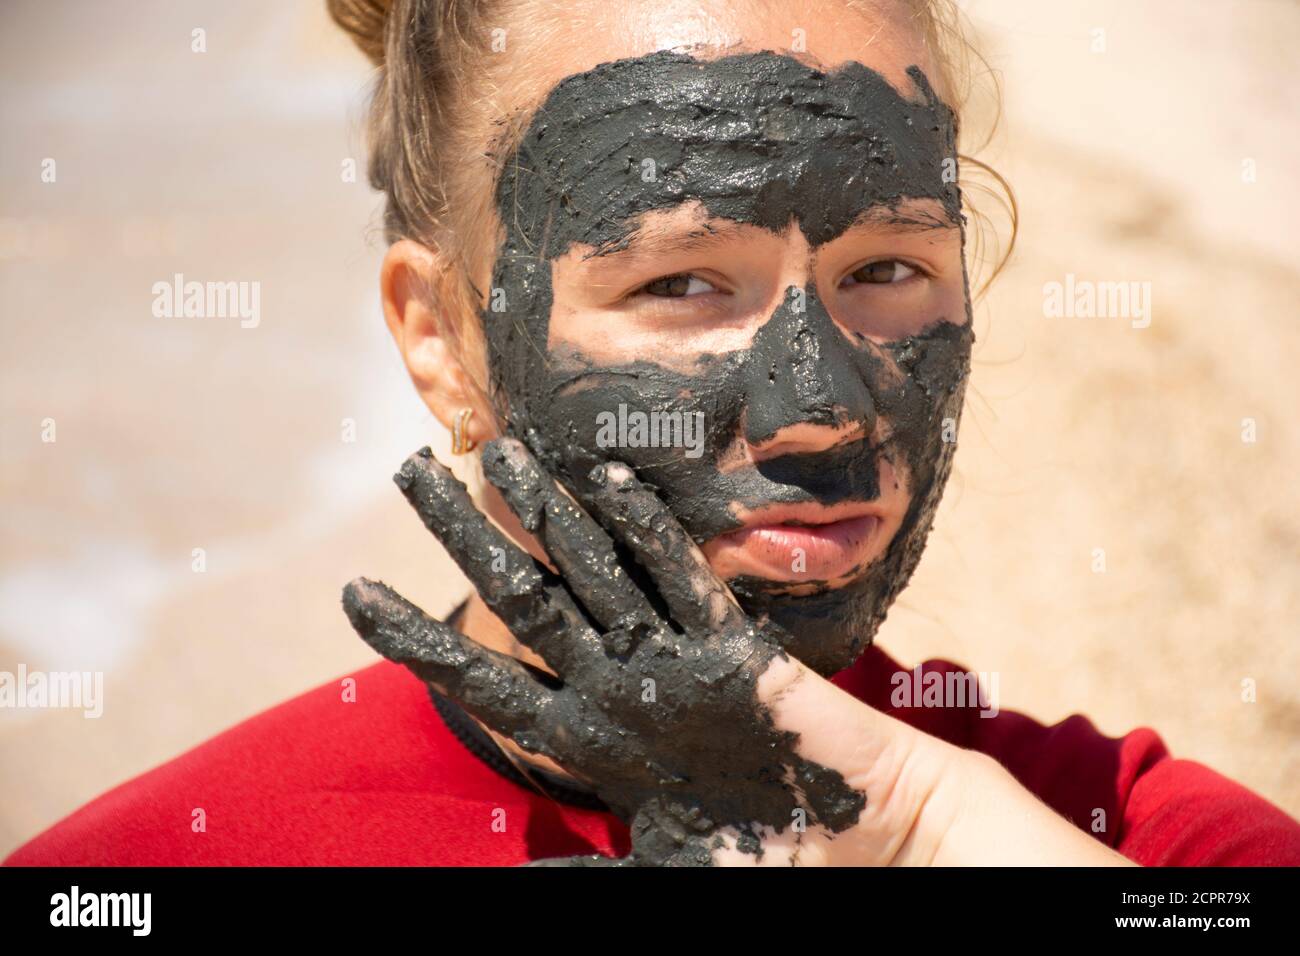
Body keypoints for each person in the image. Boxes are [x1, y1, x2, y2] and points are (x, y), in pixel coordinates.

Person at [6, 0, 1299, 867]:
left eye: (889, 269)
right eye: (683, 285)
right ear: (437, 337)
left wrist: (913, 822)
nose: (825, 410)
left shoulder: (1118, 832)